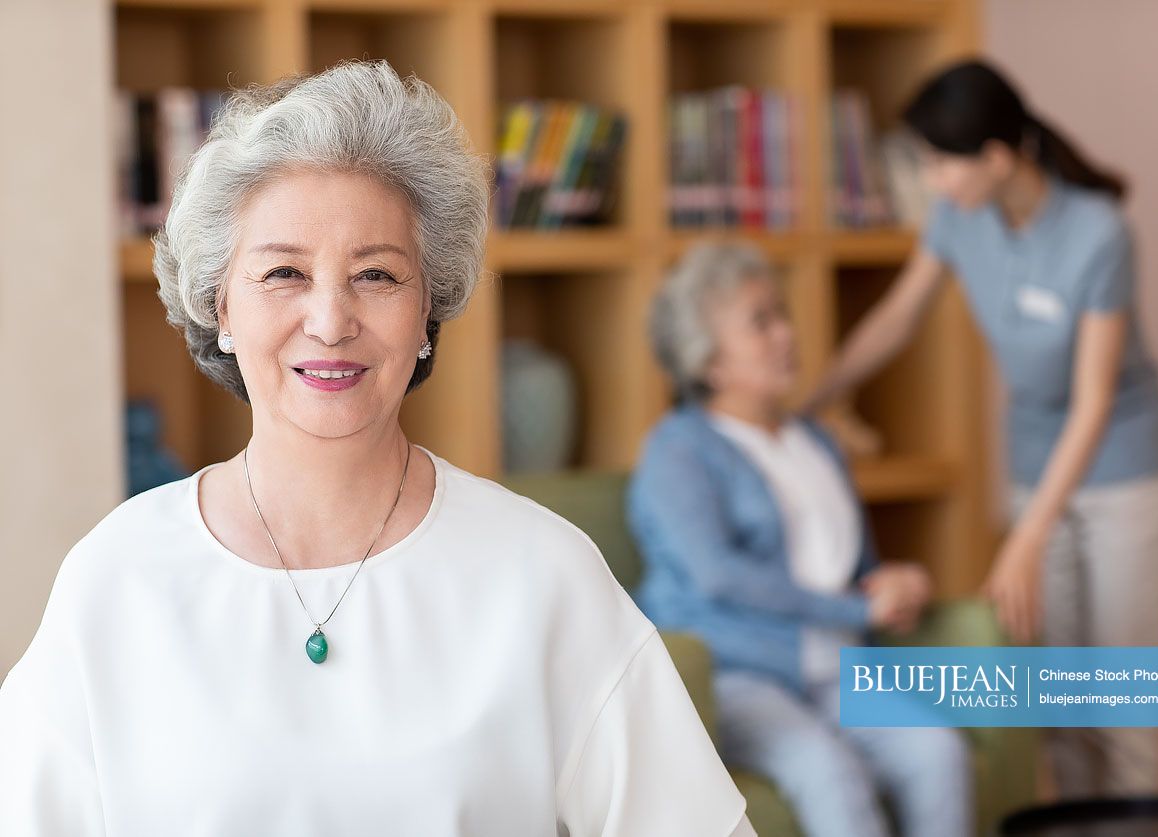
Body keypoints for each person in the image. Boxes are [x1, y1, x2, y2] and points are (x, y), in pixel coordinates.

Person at [0, 61, 756, 837]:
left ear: (429, 307)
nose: (330, 319)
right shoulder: (118, 575)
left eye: (376, 274)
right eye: (283, 272)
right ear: (219, 304)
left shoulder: (540, 570)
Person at [801, 59, 1158, 798]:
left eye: (941, 163)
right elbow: (896, 319)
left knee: (1122, 706)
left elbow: (1093, 399)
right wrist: (812, 400)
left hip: (1121, 472)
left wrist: (1027, 535)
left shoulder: (1098, 235)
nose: (932, 180)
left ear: (997, 158)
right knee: (1063, 705)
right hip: (1034, 463)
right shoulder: (957, 216)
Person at [627, 240, 973, 837]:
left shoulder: (817, 442)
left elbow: (853, 564)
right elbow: (719, 574)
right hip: (737, 673)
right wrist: (855, 607)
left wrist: (890, 583)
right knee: (828, 773)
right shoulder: (678, 449)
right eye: (760, 322)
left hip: (837, 665)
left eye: (781, 313)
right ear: (709, 360)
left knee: (936, 752)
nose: (786, 333)